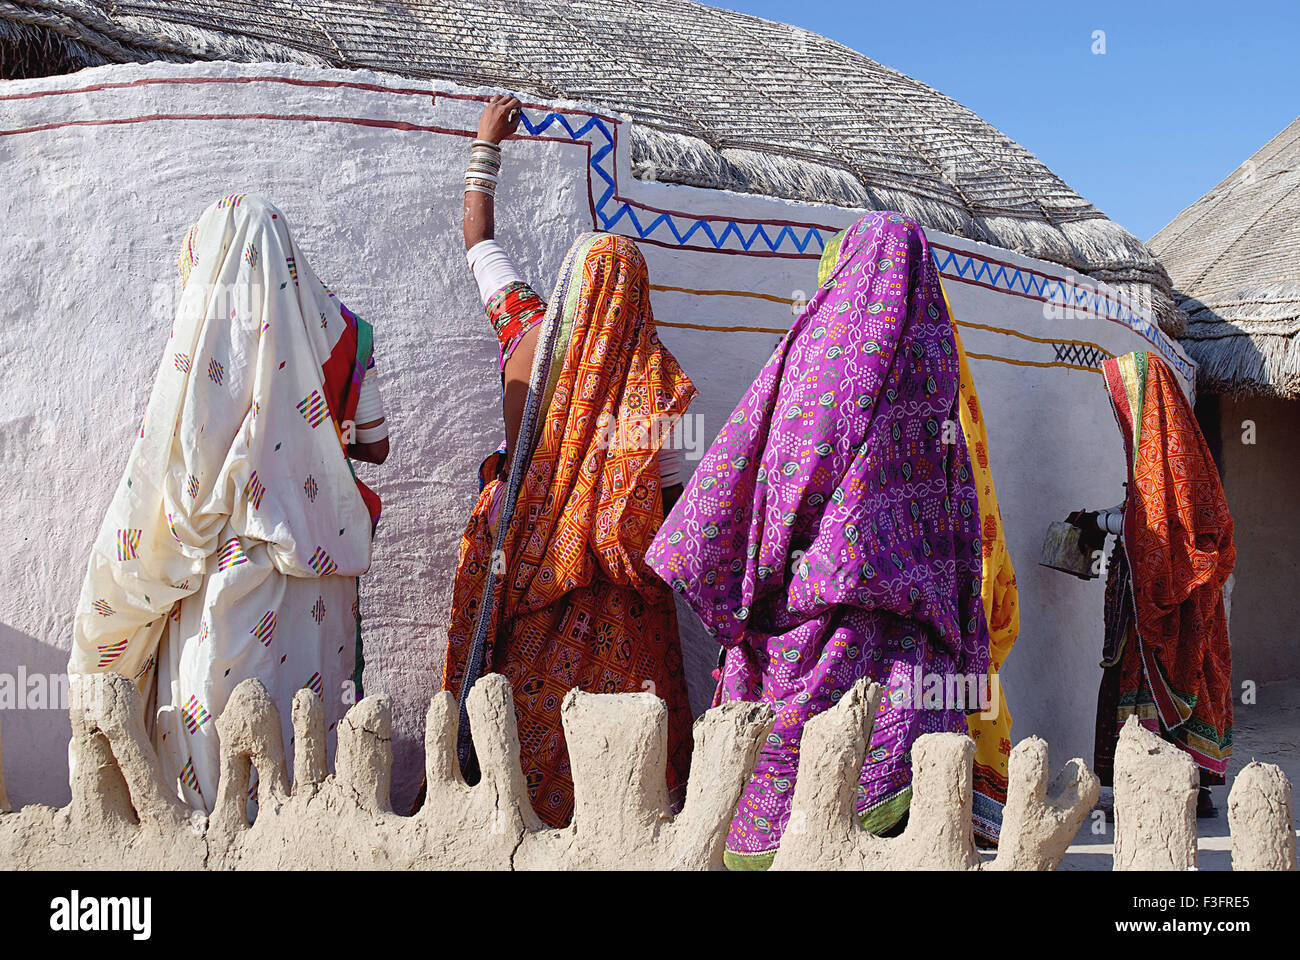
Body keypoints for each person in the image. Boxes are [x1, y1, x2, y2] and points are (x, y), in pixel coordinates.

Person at [647, 211, 989, 870]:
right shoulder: (935, 359)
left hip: (814, 627)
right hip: (910, 649)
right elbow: (958, 504)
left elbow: (790, 467)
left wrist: (745, 576)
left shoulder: (829, 351)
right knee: (903, 826)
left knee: (791, 805)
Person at [69, 194, 388, 812]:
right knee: (305, 754)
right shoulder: (344, 328)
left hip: (226, 572)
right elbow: (374, 445)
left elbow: (182, 472)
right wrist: (309, 444)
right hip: (320, 565)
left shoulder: (206, 334)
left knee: (218, 764)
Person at [438, 96, 697, 826]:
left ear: (570, 284)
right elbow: (669, 512)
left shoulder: (526, 326)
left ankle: (498, 818)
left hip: (516, 555)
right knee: (618, 729)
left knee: (509, 695)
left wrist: (486, 147)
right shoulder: (657, 384)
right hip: (619, 593)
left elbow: (476, 240)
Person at [816, 229, 1020, 847]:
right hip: (926, 642)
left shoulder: (817, 372)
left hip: (829, 632)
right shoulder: (941, 383)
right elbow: (969, 516)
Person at [1085, 351, 1234, 817]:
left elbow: (1171, 526)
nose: (1118, 415)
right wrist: (1111, 519)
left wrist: (1104, 523)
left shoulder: (1176, 459)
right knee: (1155, 674)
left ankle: (1162, 784)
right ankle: (1174, 781)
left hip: (1169, 598)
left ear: (1145, 405)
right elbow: (1151, 511)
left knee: (1164, 673)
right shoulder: (1160, 458)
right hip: (1144, 590)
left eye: (1122, 405)